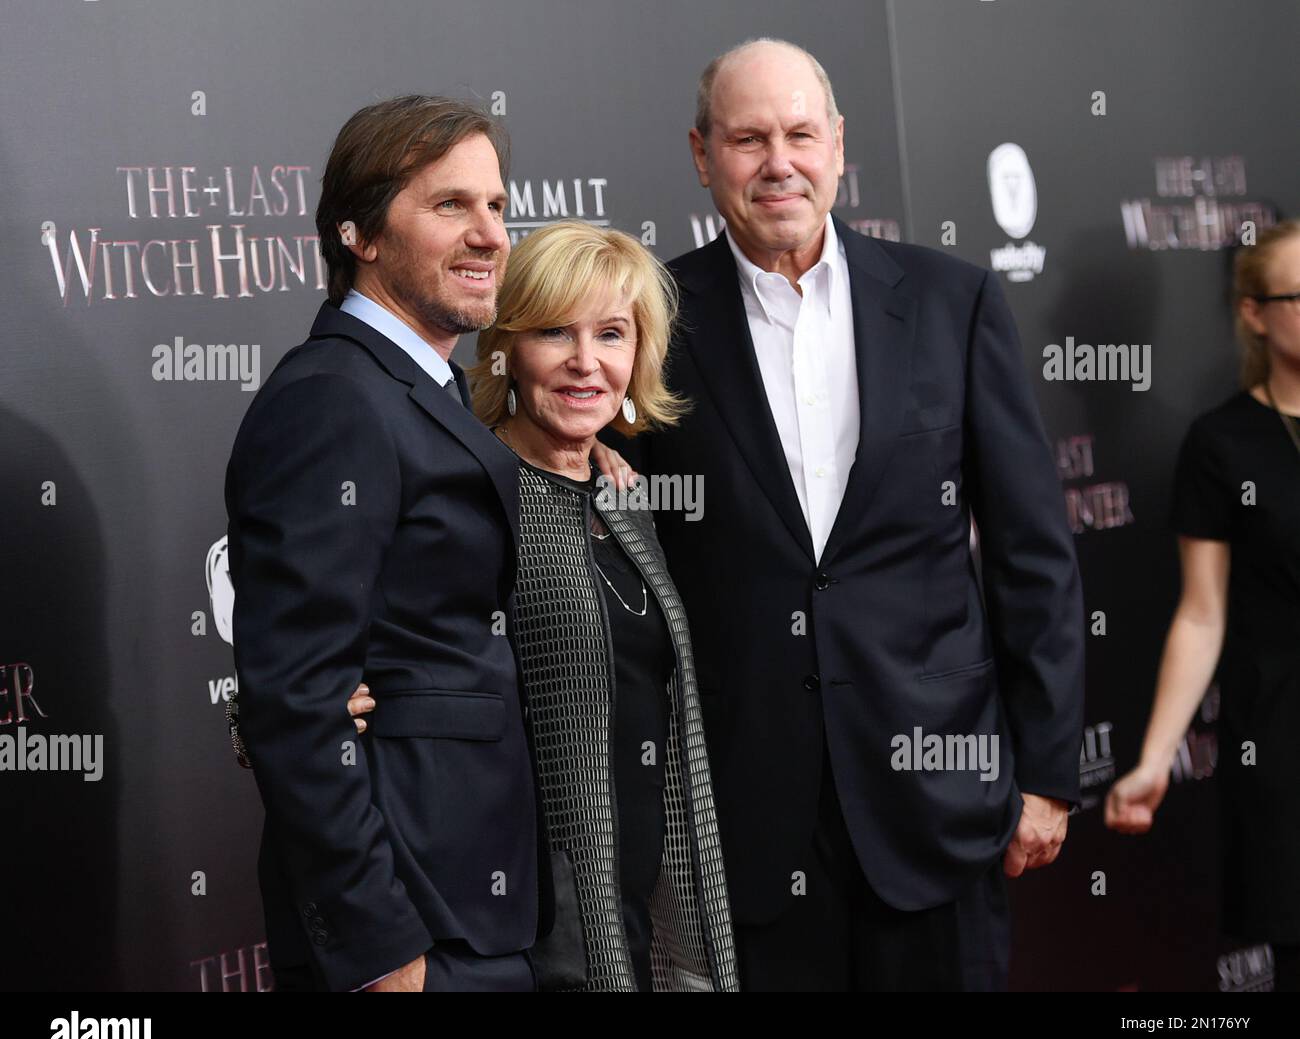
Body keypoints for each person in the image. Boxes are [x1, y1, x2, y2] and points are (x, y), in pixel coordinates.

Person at [607, 38, 1085, 991]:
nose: (777, 163)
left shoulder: (954, 300)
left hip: (938, 799)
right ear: (702, 155)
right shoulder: (645, 316)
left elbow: (1034, 552)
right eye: (748, 139)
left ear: (837, 145)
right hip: (744, 816)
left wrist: (1047, 776)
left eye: (798, 134)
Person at [224, 96, 631, 992]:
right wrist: (375, 947)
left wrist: (577, 444)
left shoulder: (429, 391)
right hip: (410, 931)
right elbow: (296, 700)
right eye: (450, 206)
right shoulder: (331, 400)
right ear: (360, 235)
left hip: (478, 910)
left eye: (496, 205)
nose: (490, 233)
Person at [350, 221, 739, 991]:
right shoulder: (469, 496)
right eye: (555, 331)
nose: (586, 361)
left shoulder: (623, 497)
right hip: (528, 923)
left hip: (647, 901)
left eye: (612, 334)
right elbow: (377, 665)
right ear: (507, 348)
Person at [1106, 219, 1300, 991]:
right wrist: (1156, 757)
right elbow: (1201, 613)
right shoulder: (1224, 445)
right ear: (1254, 312)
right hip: (1284, 752)